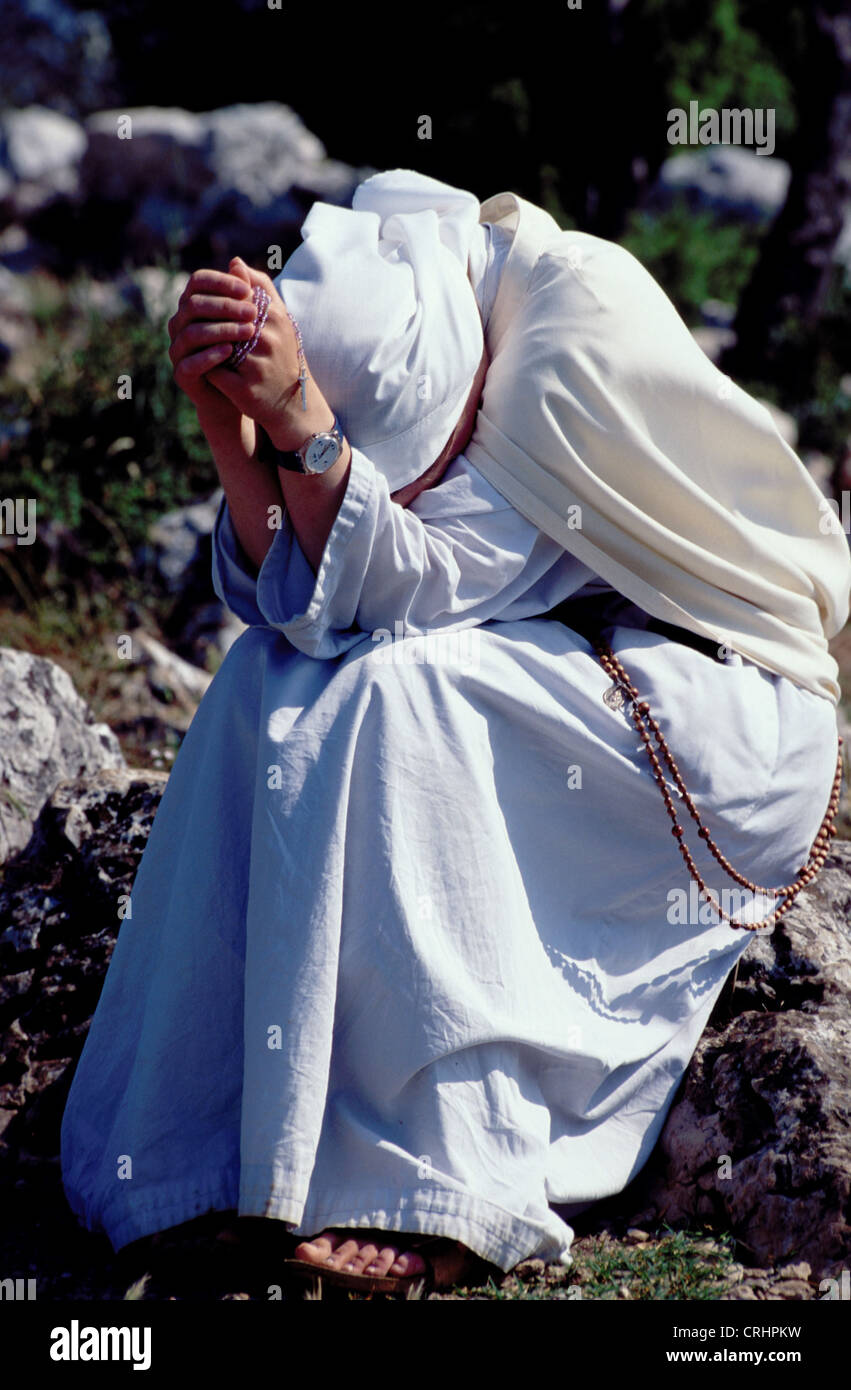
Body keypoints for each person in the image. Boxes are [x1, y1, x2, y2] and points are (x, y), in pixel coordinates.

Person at [60, 170, 850, 1296]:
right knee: (258, 682)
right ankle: (218, 1146)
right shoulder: (401, 257)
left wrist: (302, 427)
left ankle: (433, 1172)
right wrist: (234, 428)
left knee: (397, 699)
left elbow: (410, 584)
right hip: (582, 649)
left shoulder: (564, 347)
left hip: (720, 706)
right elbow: (295, 600)